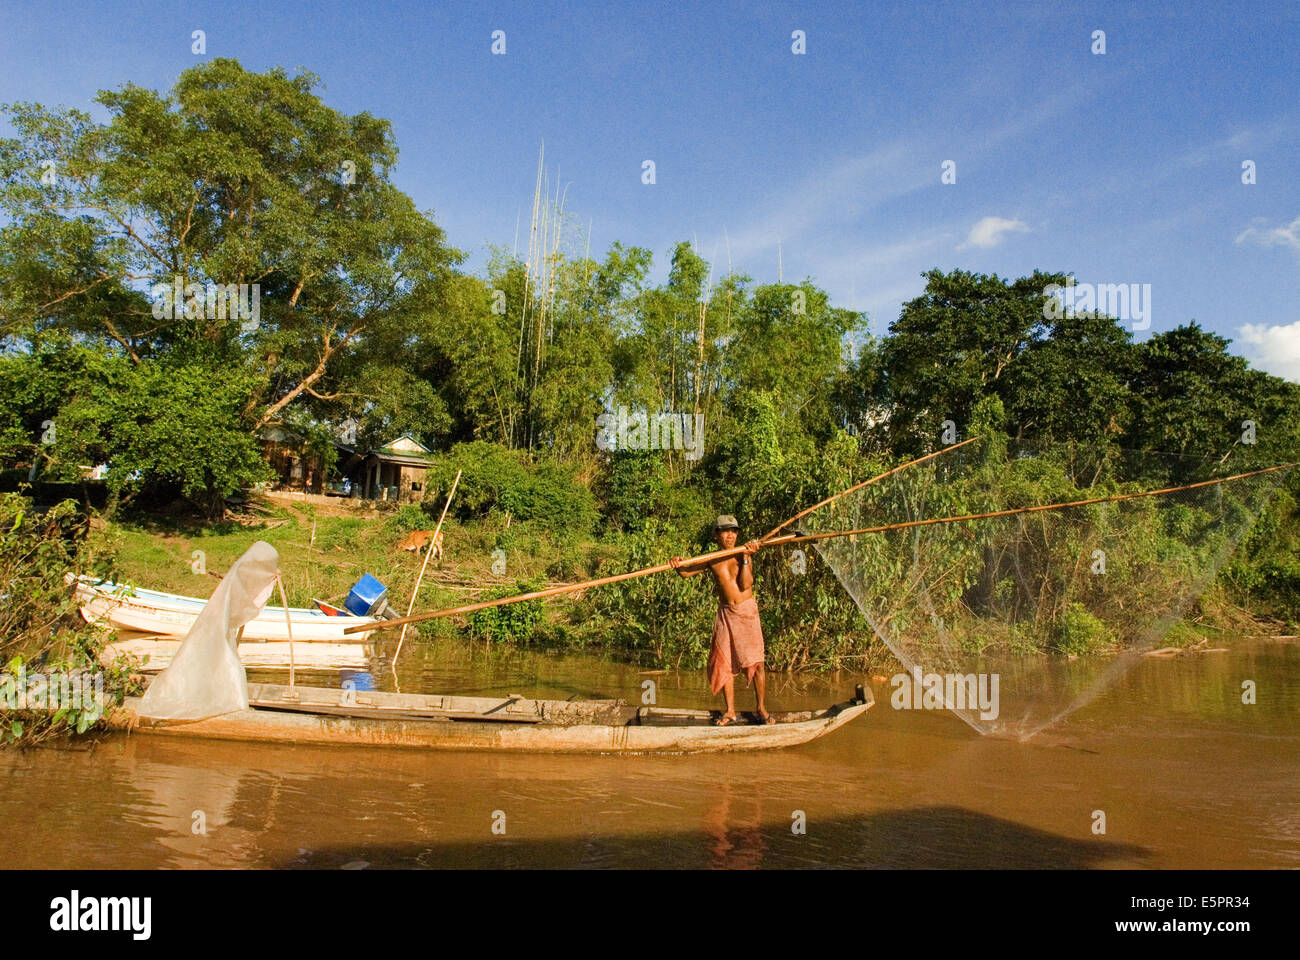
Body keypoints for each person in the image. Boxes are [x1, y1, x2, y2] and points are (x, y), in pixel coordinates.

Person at [670, 515, 771, 725]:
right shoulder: (712, 559)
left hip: (746, 612)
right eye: (725, 532)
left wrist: (745, 558)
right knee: (725, 663)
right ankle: (730, 711)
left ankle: (761, 708)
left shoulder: (743, 554)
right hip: (726, 613)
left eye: (734, 531)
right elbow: (687, 574)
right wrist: (677, 564)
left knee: (757, 663)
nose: (730, 536)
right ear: (716, 535)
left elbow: (746, 584)